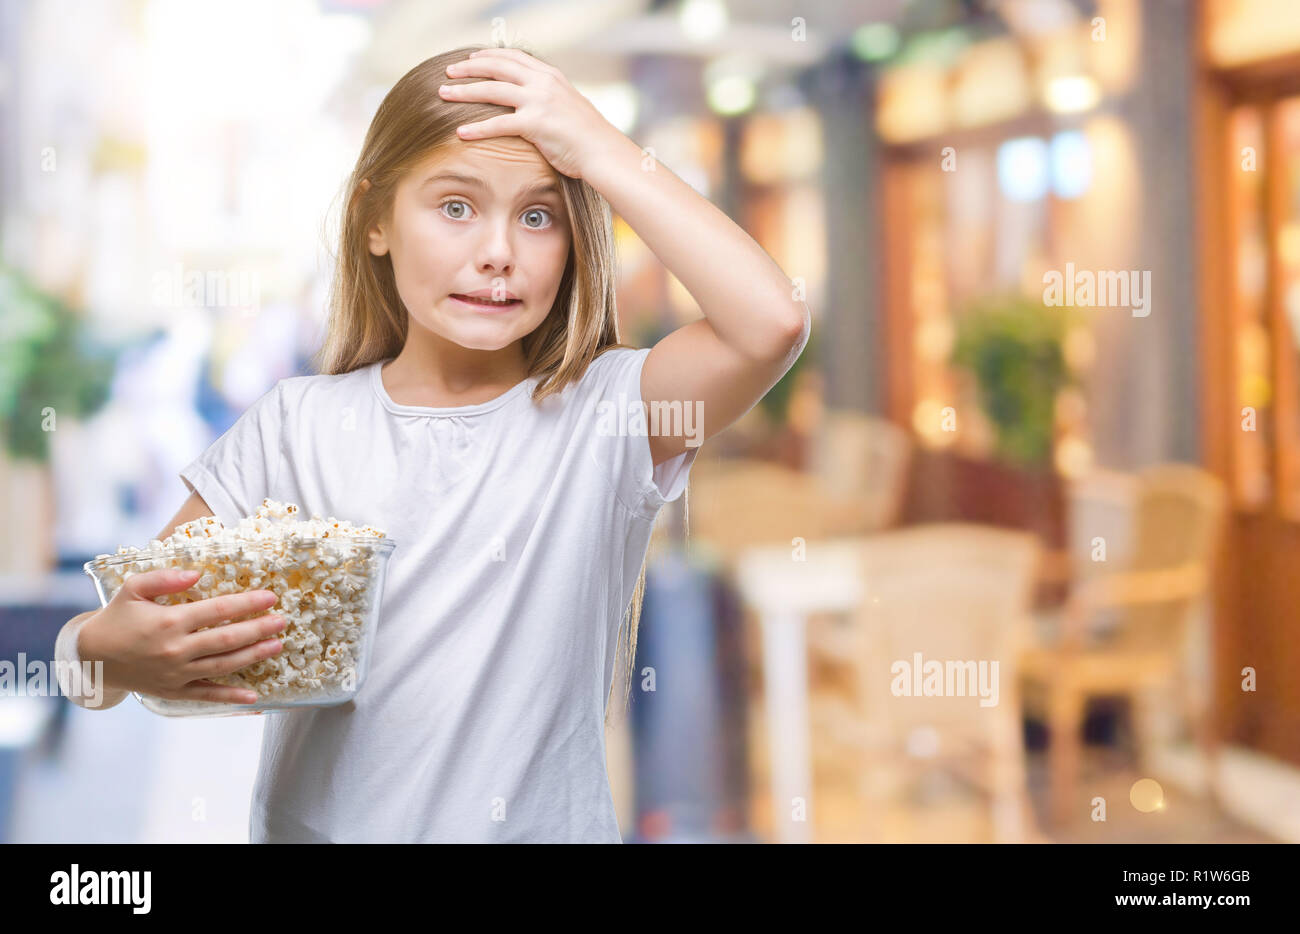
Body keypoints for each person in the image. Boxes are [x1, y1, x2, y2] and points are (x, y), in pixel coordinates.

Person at [53, 44, 810, 843]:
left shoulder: (608, 415)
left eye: (538, 214)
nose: (498, 252)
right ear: (375, 220)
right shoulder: (293, 426)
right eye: (455, 207)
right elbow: (108, 653)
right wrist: (96, 651)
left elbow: (773, 322)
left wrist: (599, 147)